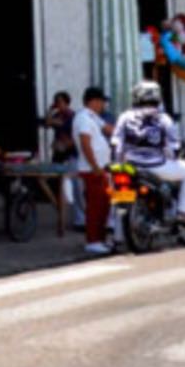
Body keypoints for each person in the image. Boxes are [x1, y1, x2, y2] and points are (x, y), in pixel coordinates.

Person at [112, 80, 185, 226]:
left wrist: (118, 163)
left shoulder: (124, 117)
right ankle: (182, 213)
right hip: (156, 166)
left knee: (120, 199)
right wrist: (174, 155)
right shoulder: (163, 119)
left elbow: (116, 143)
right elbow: (174, 148)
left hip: (130, 166)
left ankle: (116, 237)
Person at [72, 86, 115, 255]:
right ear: (93, 102)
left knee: (104, 204)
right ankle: (92, 240)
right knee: (95, 206)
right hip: (92, 170)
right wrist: (95, 166)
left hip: (101, 169)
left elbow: (108, 129)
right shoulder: (83, 118)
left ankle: (101, 238)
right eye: (102, 102)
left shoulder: (93, 117)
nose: (103, 105)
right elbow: (85, 143)